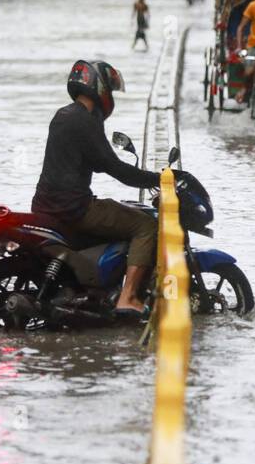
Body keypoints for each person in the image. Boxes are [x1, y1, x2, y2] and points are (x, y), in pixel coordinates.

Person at [32, 60, 162, 316]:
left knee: (116, 214)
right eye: (110, 91)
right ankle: (128, 297)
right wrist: (156, 179)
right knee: (145, 225)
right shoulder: (85, 121)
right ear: (100, 89)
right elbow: (114, 168)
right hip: (74, 208)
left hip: (45, 204)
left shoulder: (63, 115)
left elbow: (95, 162)